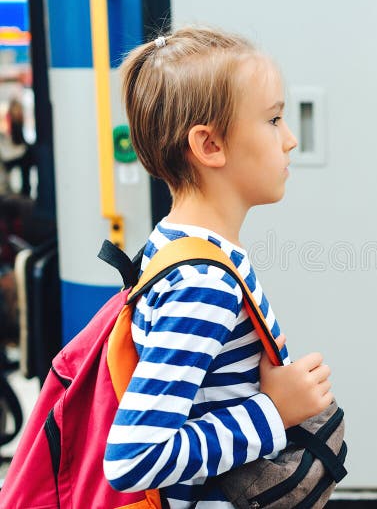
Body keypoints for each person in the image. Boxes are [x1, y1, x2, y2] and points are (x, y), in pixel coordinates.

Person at [102, 26, 334, 508]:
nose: (289, 140)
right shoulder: (202, 284)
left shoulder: (177, 248)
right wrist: (273, 412)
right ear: (209, 146)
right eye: (273, 120)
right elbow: (133, 459)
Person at [4, 98, 34, 197]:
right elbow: (17, 141)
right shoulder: (14, 122)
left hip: (16, 152)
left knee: (28, 159)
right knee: (28, 159)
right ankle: (26, 190)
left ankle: (26, 189)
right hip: (14, 154)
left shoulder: (14, 121)